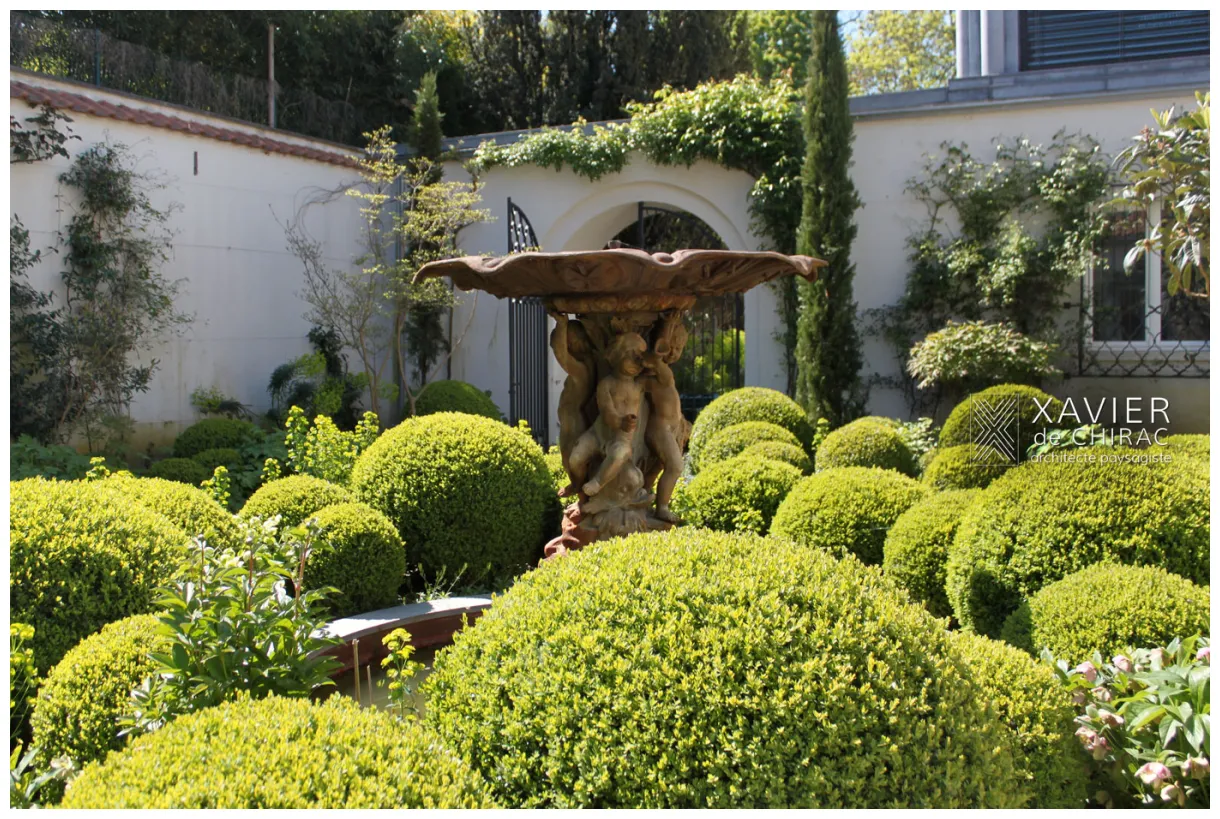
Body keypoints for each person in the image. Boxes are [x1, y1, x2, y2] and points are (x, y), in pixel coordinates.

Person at [567, 331, 647, 497]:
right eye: (631, 355)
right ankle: (577, 484)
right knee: (574, 460)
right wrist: (620, 421)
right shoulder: (606, 384)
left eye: (641, 357)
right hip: (598, 434)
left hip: (621, 439)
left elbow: (663, 377)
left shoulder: (640, 385)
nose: (638, 362)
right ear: (617, 355)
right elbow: (606, 411)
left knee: (621, 453)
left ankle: (598, 482)